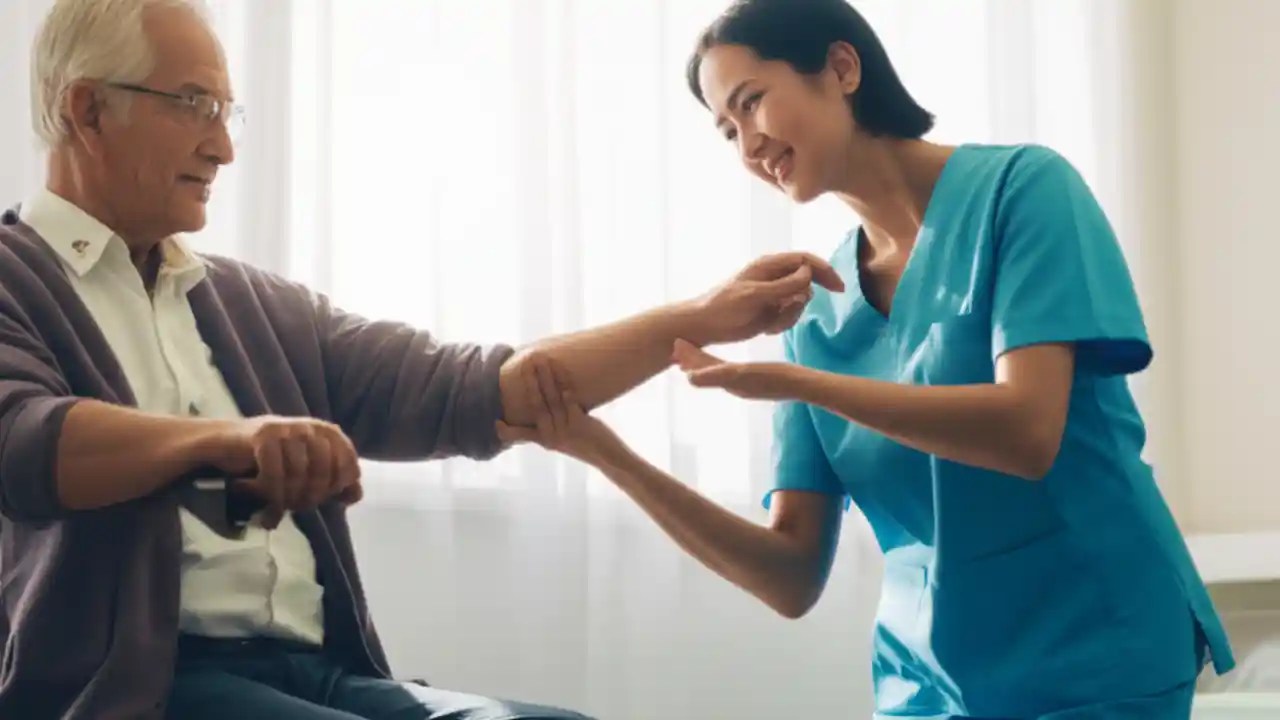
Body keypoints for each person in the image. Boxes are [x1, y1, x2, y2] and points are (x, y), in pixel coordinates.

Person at [0, 1, 843, 718]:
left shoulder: (252, 304)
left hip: (321, 672)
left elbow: (476, 389)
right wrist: (226, 442)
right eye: (194, 105)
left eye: (227, 111)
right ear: (88, 111)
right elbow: (24, 442)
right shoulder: (14, 278)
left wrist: (697, 319)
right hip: (145, 688)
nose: (223, 146)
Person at [499, 0, 1236, 717]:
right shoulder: (814, 313)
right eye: (727, 131)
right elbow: (790, 576)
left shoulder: (1023, 190)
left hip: (1099, 653)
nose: (748, 145)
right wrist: (604, 452)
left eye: (752, 102)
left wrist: (804, 385)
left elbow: (1028, 430)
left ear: (842, 68)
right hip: (929, 685)